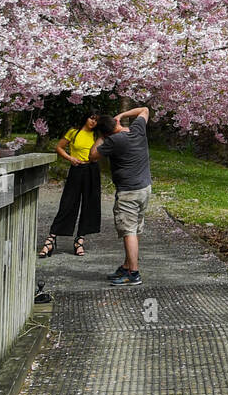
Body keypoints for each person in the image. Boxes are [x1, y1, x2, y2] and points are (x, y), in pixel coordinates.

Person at [90, 105, 152, 286]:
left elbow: (92, 155)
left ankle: (133, 273)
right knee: (135, 229)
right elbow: (144, 110)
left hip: (128, 193)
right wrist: (123, 115)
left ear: (105, 133)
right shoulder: (137, 130)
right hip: (144, 189)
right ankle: (127, 265)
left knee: (128, 231)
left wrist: (101, 137)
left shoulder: (113, 141)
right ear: (116, 123)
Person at [39, 112, 102, 258]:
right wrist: (70, 158)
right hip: (76, 169)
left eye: (96, 120)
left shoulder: (97, 135)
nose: (93, 122)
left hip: (92, 170)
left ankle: (80, 239)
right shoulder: (74, 132)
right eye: (91, 118)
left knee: (89, 204)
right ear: (86, 118)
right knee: (68, 203)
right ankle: (51, 239)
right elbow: (59, 147)